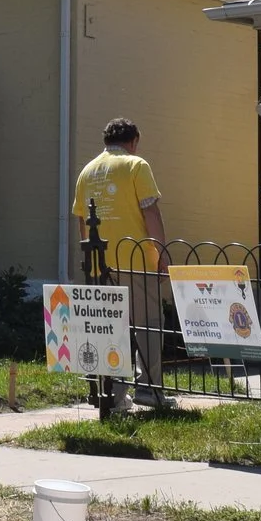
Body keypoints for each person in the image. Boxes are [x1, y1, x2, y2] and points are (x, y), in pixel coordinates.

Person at [72, 118, 171, 393]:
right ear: (133, 141)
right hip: (136, 261)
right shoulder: (136, 166)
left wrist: (91, 260)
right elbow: (150, 212)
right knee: (149, 325)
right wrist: (161, 254)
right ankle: (149, 390)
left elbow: (82, 221)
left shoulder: (87, 172)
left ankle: (112, 396)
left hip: (101, 263)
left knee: (109, 329)